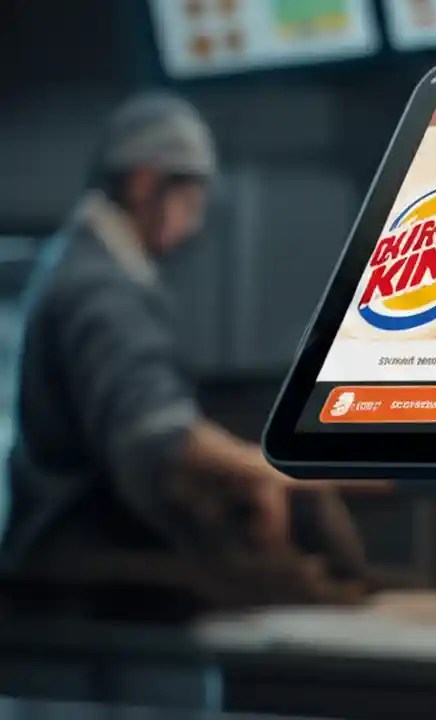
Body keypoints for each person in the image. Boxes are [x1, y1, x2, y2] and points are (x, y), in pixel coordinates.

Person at [0, 94, 366, 614]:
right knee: (295, 590)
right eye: (191, 205)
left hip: (55, 547)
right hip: (73, 559)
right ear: (147, 184)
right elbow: (158, 435)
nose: (193, 227)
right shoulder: (100, 287)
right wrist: (267, 474)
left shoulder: (79, 263)